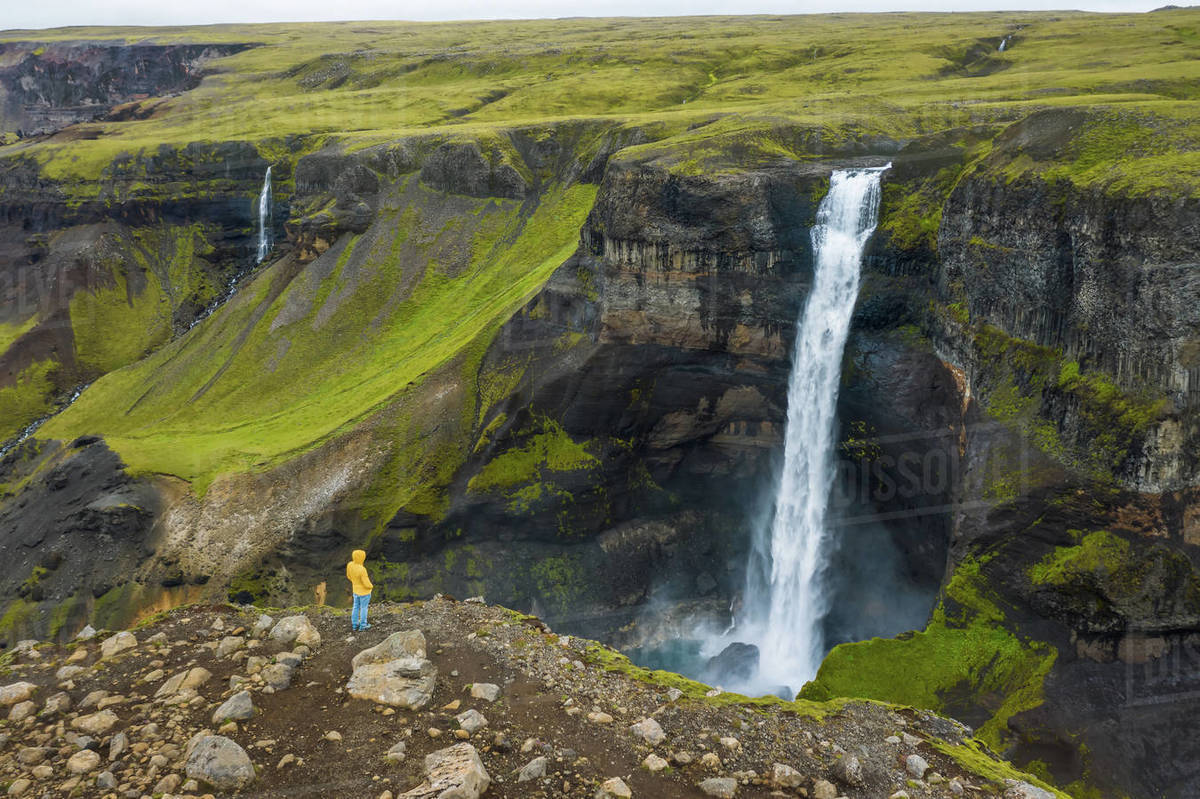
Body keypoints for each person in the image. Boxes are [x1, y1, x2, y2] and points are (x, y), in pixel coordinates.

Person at [346, 549, 373, 631]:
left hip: (355, 590)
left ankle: (354, 624)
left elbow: (349, 576)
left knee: (355, 607)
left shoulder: (350, 565)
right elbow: (366, 583)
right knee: (364, 608)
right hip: (364, 592)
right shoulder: (362, 569)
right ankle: (363, 625)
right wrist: (371, 586)